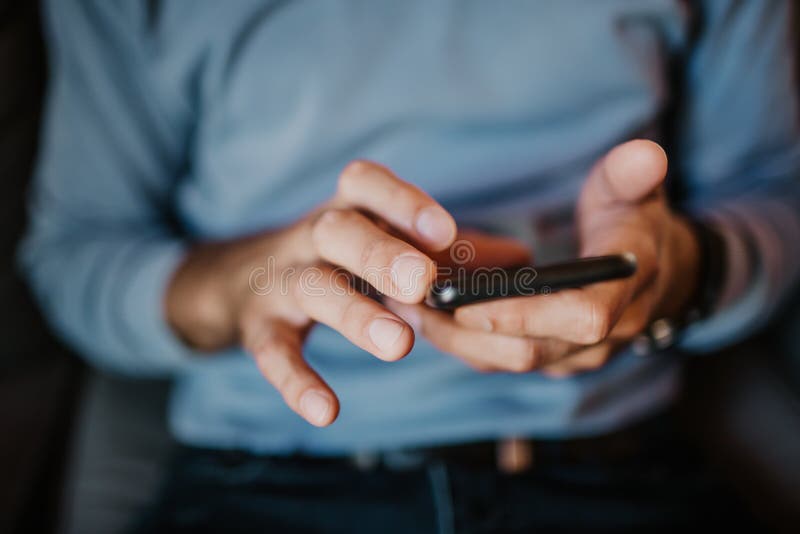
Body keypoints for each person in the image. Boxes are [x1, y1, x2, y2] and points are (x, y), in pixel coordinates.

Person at [20, 0, 800, 531]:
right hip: (266, 487)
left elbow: (774, 199)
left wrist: (679, 276)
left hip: (618, 469)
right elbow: (78, 255)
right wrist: (246, 284)